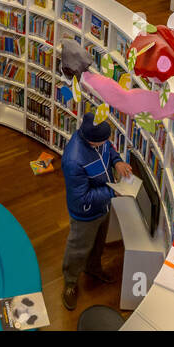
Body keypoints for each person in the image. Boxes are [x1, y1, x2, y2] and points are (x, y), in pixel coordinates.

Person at [60, 110, 134, 311]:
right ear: (90, 141)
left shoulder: (100, 141)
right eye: (101, 143)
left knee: (99, 241)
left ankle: (93, 267)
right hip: (84, 213)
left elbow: (109, 149)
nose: (106, 144)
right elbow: (82, 198)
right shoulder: (73, 160)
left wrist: (117, 161)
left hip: (103, 205)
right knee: (78, 247)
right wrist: (112, 192)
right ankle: (70, 282)